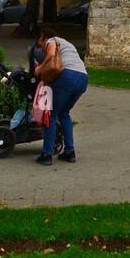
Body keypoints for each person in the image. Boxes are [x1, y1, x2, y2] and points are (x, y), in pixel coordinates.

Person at [33, 24, 88, 166]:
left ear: (43, 37)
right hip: (83, 79)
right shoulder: (67, 43)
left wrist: (40, 68)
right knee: (64, 113)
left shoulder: (51, 40)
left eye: (39, 43)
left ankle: (47, 155)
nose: (40, 47)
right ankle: (69, 152)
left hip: (68, 76)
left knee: (50, 114)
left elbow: (51, 55)